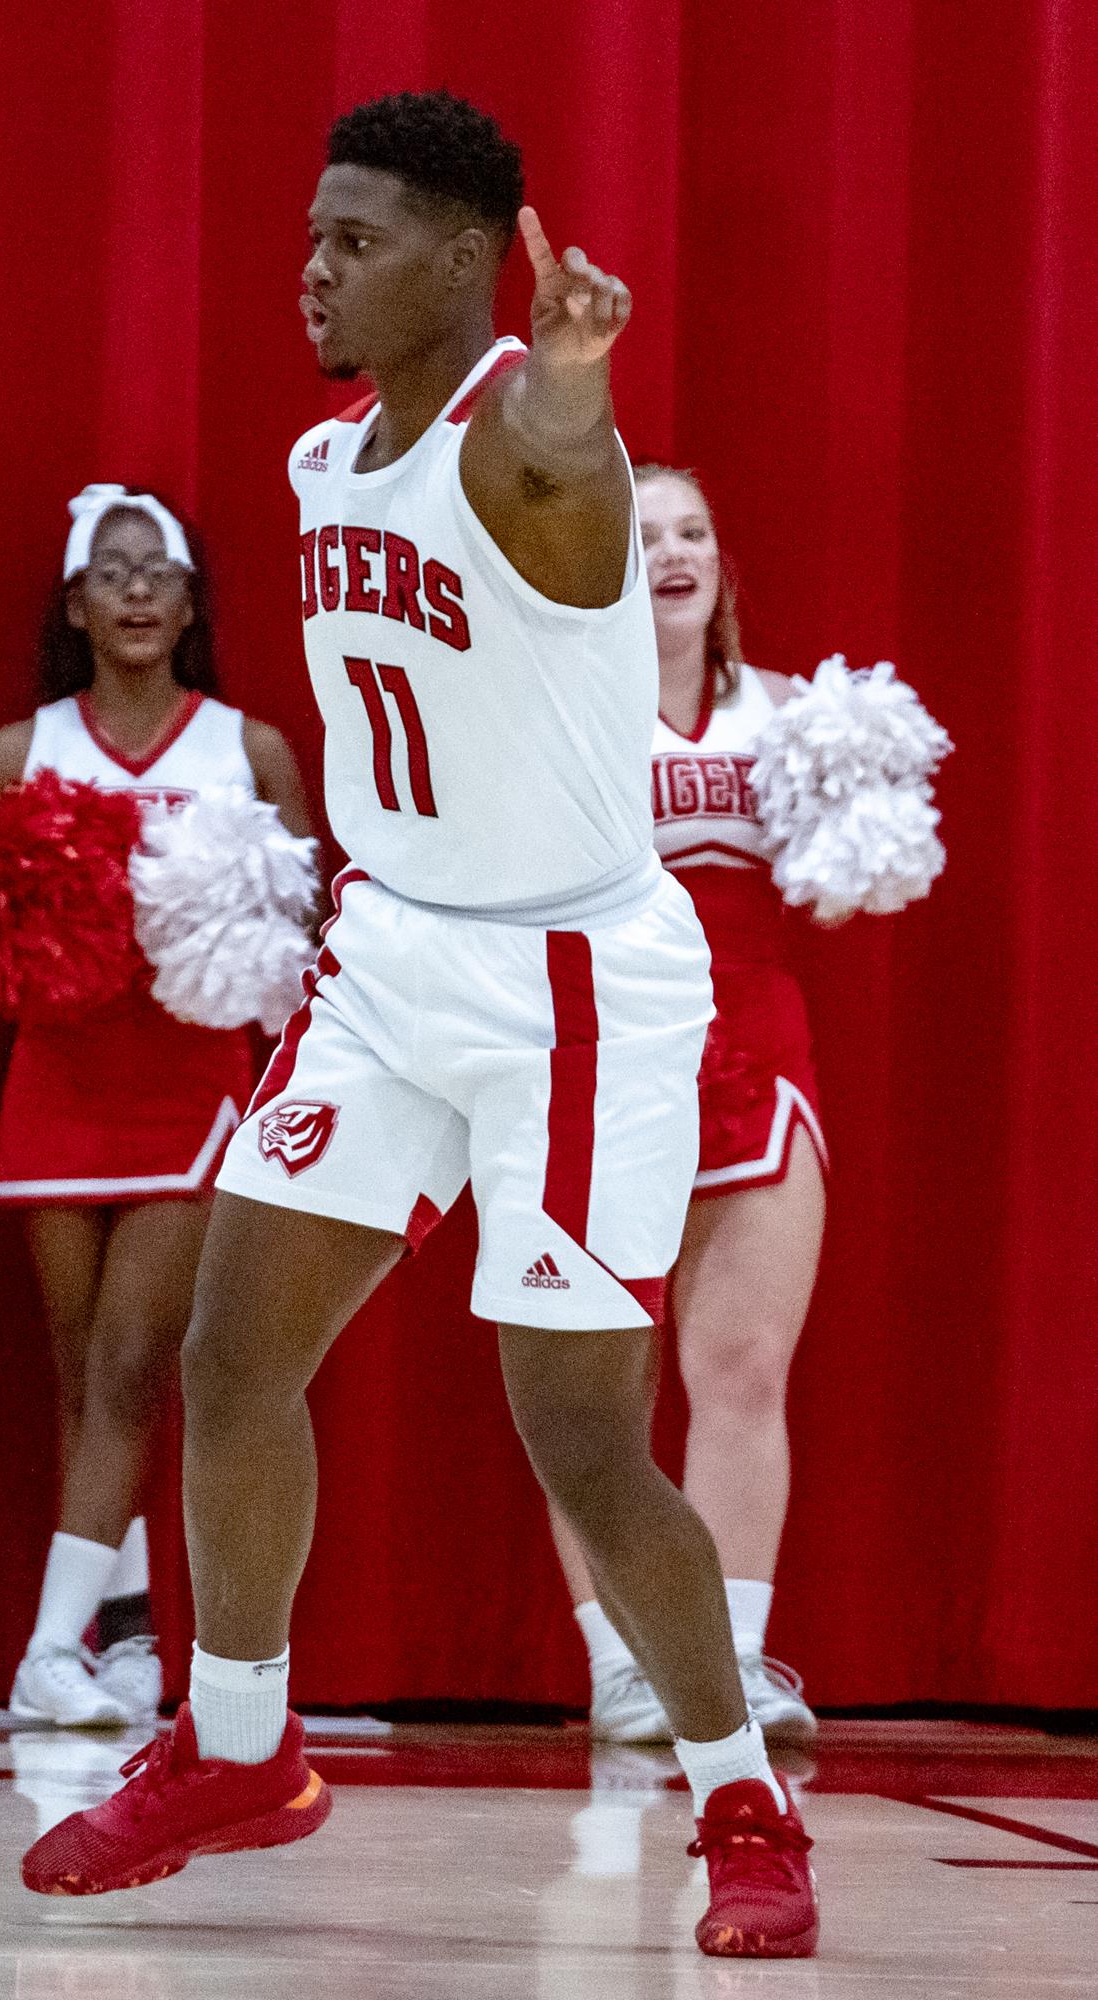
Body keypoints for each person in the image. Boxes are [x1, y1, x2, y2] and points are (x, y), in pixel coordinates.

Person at [21, 93, 819, 1960]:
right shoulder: (323, 464)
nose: (315, 267)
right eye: (311, 236)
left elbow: (564, 455)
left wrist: (570, 376)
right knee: (229, 1359)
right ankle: (238, 1747)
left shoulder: (530, 453)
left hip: (572, 985)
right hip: (391, 962)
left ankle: (741, 1798)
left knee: (581, 1442)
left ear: (468, 261)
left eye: (358, 242)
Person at [0, 485, 311, 1729]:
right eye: (112, 572)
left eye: (160, 570)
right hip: (57, 1084)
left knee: (126, 1364)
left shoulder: (246, 747)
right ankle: (124, 1628)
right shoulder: (21, 751)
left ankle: (43, 1650)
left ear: (192, 599)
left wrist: (201, 921)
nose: (139, 590)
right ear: (74, 602)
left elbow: (308, 923)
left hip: (190, 1093)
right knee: (79, 1378)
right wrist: (57, 913)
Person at [551, 465, 825, 1746]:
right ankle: (618, 1660)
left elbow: (861, 868)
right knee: (594, 1379)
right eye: (644, 531)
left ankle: (735, 1655)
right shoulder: (562, 714)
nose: (672, 551)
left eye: (693, 530)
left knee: (741, 1363)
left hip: (758, 1055)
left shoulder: (795, 718)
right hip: (601, 1052)